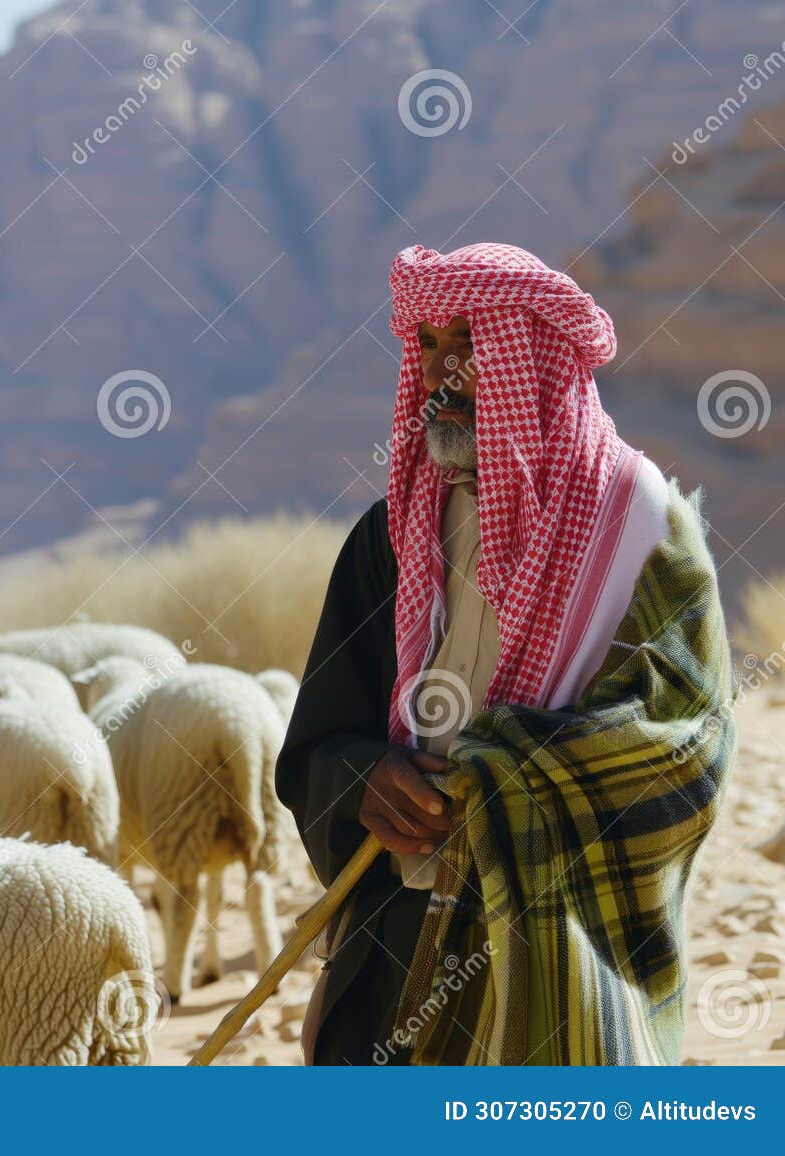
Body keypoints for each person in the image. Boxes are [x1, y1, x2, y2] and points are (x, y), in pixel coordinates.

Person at [278, 242, 733, 1065]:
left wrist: (505, 777)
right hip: (402, 921)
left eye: (469, 347)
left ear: (534, 362)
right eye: (427, 346)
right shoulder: (390, 538)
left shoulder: (645, 535)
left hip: (562, 937)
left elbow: (687, 748)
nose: (439, 375)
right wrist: (362, 779)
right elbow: (318, 740)